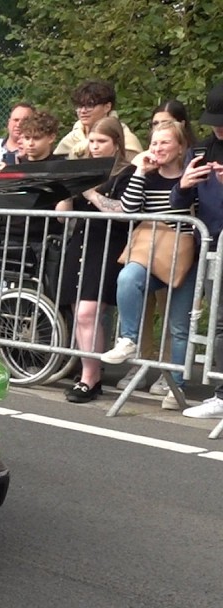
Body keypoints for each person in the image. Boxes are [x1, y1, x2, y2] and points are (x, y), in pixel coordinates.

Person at [99, 121, 197, 409]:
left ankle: (175, 386)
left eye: (165, 143)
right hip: (149, 251)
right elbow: (128, 209)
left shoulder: (193, 176)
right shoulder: (147, 177)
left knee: (179, 325)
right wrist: (140, 170)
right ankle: (128, 339)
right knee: (128, 276)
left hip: (183, 257)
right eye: (154, 143)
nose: (157, 148)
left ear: (181, 147)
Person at [58, 118, 137, 402]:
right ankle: (88, 371)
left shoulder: (128, 172)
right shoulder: (86, 169)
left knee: (88, 312)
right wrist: (65, 191)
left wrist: (90, 192)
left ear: (116, 143)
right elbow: (62, 213)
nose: (94, 147)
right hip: (81, 241)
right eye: (91, 141)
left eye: (101, 142)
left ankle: (91, 377)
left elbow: (121, 209)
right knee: (78, 311)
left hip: (108, 244)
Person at [176, 81, 223, 418]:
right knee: (218, 319)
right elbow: (178, 203)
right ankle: (221, 393)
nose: (217, 127)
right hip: (212, 245)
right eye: (213, 120)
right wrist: (183, 186)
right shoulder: (202, 150)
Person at [55, 79, 144, 158]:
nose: (82, 111)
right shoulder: (71, 139)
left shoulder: (125, 139)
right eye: (79, 106)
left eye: (90, 105)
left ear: (107, 107)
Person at [0, 103, 34, 172]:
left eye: (25, 120)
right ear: (8, 122)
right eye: (16, 120)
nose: (18, 124)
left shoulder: (32, 150)